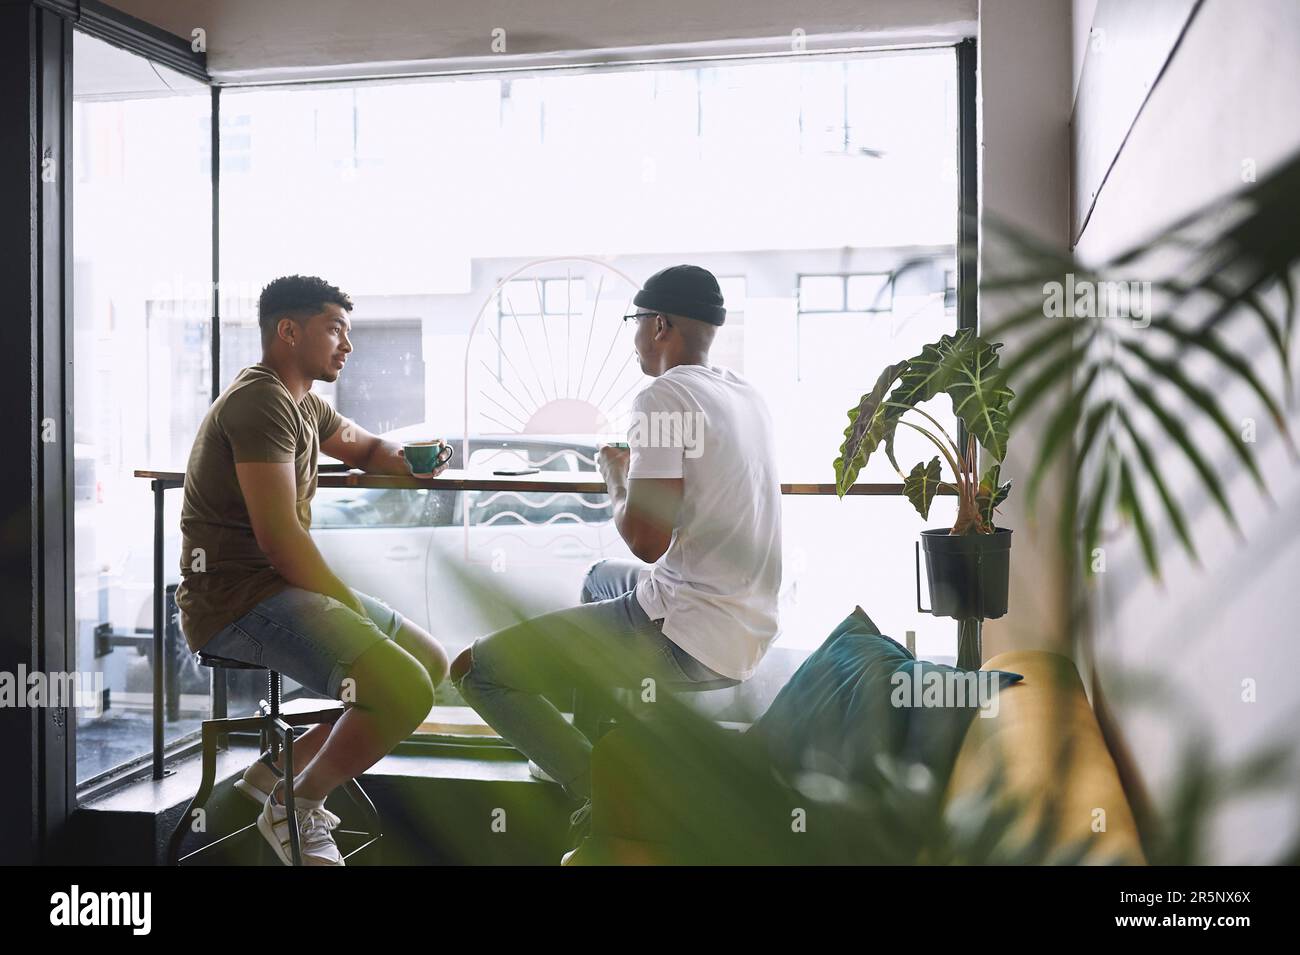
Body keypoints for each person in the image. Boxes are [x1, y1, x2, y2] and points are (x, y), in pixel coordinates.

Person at [451, 264, 783, 850]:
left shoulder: (663, 394)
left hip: (689, 633)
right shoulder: (745, 393)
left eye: (634, 323)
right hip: (750, 622)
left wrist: (614, 474)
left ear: (660, 325)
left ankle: (594, 789)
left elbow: (647, 541)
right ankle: (595, 750)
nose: (632, 339)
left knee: (478, 672)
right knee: (599, 579)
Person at [175, 274, 451, 866]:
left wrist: (417, 460)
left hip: (277, 588)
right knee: (400, 688)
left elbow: (368, 449)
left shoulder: (301, 400)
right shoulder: (260, 402)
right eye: (335, 330)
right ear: (289, 331)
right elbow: (280, 540)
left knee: (430, 661)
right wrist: (347, 606)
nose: (347, 345)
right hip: (235, 602)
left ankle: (277, 768)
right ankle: (291, 805)